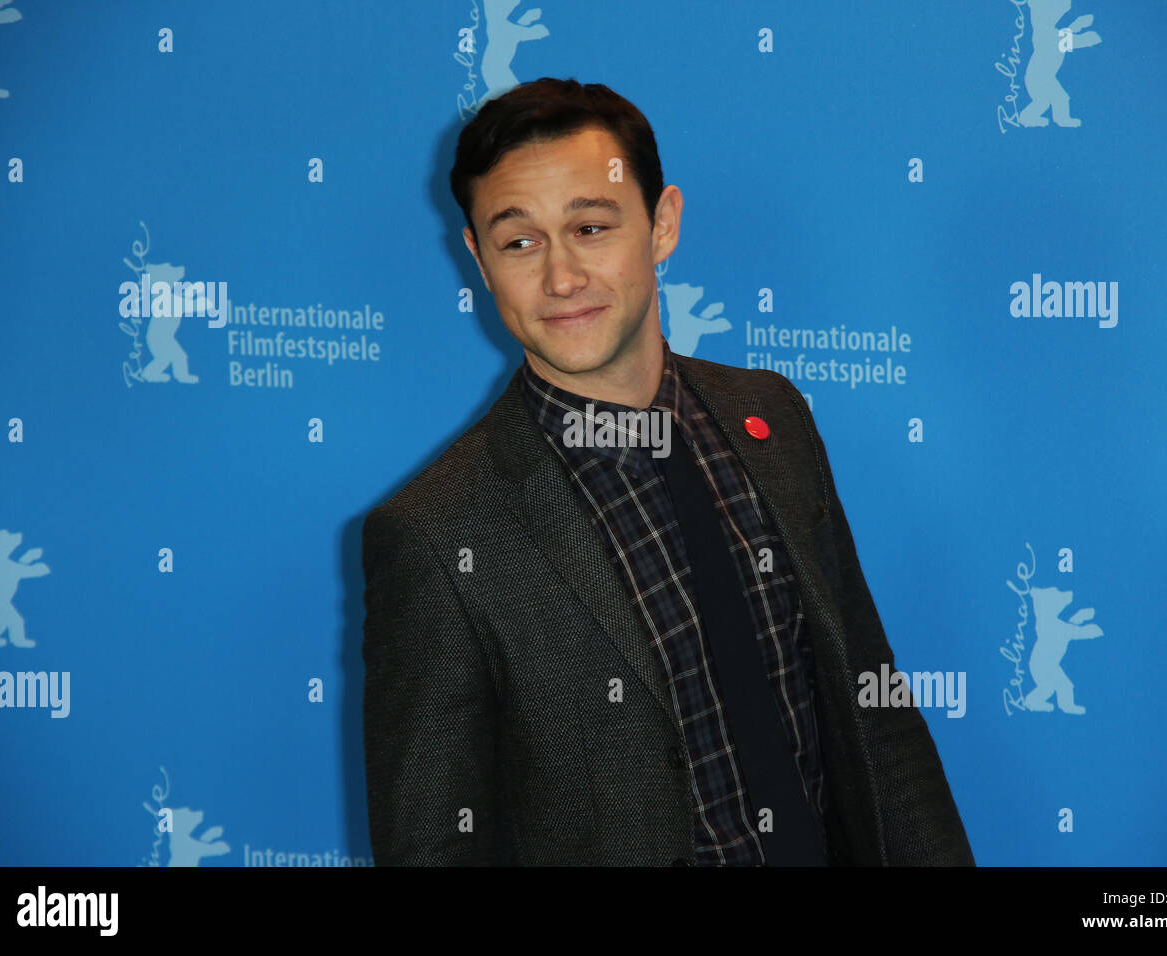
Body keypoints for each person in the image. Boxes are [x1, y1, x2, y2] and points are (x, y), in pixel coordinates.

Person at [362, 77, 974, 866]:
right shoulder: (439, 536)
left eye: (590, 226)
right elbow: (436, 849)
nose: (560, 277)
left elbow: (875, 714)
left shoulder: (772, 417)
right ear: (479, 260)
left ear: (662, 224)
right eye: (519, 242)